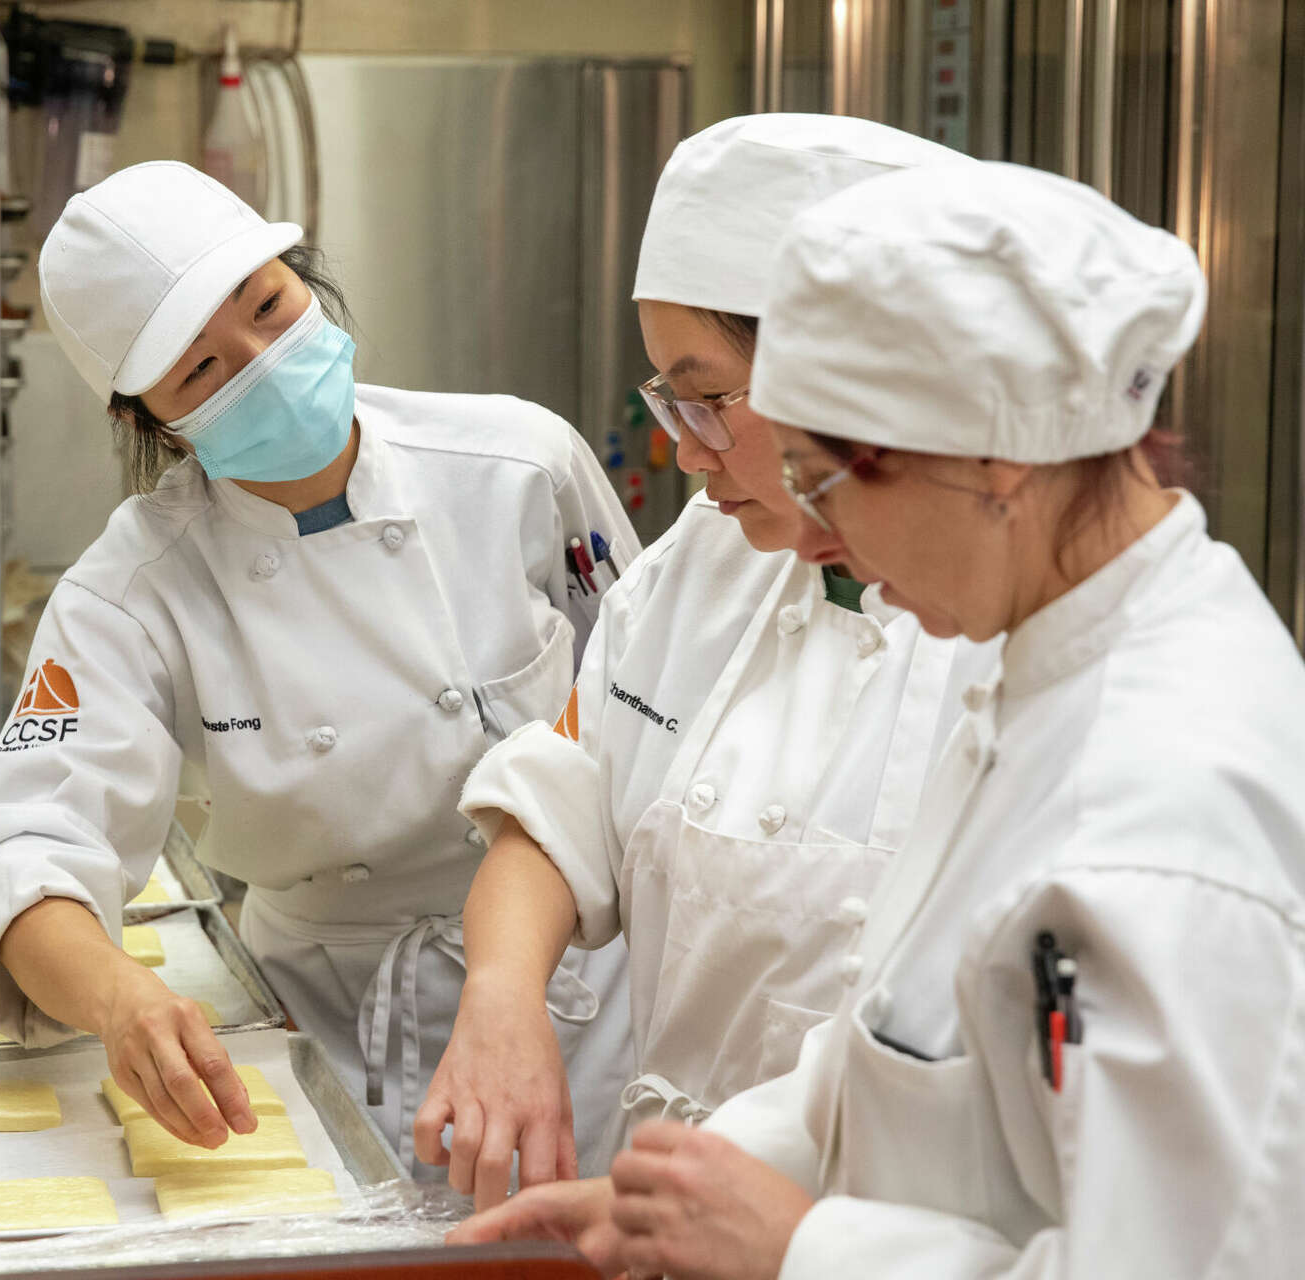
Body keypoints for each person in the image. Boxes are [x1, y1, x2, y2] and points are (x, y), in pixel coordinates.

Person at [453, 160, 1305, 1277]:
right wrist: (684, 1188)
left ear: (992, 459)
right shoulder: (1046, 675)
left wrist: (805, 1246)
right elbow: (897, 1046)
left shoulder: (1164, 805)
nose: (816, 543)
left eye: (829, 483)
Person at [0, 161, 638, 1177]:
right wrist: (120, 995)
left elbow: (656, 709)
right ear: (153, 422)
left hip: (578, 998)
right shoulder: (131, 591)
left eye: (270, 306)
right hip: (324, 1021)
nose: (263, 364)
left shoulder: (521, 465)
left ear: (305, 278)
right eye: (203, 372)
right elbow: (33, 852)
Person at [415, 114, 992, 1210]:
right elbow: (568, 801)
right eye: (665, 399)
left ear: (851, 378)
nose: (683, 449)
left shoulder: (1016, 643)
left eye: (709, 397)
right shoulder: (713, 553)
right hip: (686, 1216)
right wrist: (501, 992)